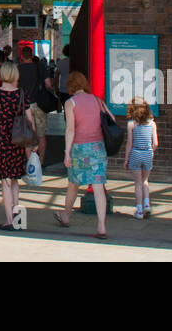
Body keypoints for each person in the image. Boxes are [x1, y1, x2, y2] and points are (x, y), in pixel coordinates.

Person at [54, 72, 110, 239]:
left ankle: (66, 215)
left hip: (79, 148)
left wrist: (66, 153)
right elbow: (111, 118)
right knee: (98, 186)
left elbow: (70, 129)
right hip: (98, 147)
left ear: (70, 86)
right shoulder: (97, 100)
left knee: (73, 183)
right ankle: (101, 226)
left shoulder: (70, 103)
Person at [0, 61, 34, 231]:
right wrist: (31, 143)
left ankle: (9, 220)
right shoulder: (22, 94)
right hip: (18, 142)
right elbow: (30, 121)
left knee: (5, 182)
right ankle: (19, 220)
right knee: (14, 181)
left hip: (1, 141)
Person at [17, 45, 53, 164]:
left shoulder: (18, 69)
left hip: (24, 105)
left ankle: (30, 162)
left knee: (27, 135)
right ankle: (41, 160)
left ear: (22, 56)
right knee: (41, 135)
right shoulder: (40, 67)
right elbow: (48, 84)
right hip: (39, 104)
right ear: (32, 56)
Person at [124, 96, 158, 219]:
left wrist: (126, 159)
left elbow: (129, 143)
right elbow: (155, 143)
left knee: (137, 183)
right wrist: (151, 152)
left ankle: (139, 211)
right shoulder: (152, 124)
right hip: (148, 154)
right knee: (145, 181)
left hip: (136, 154)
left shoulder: (131, 124)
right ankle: (147, 205)